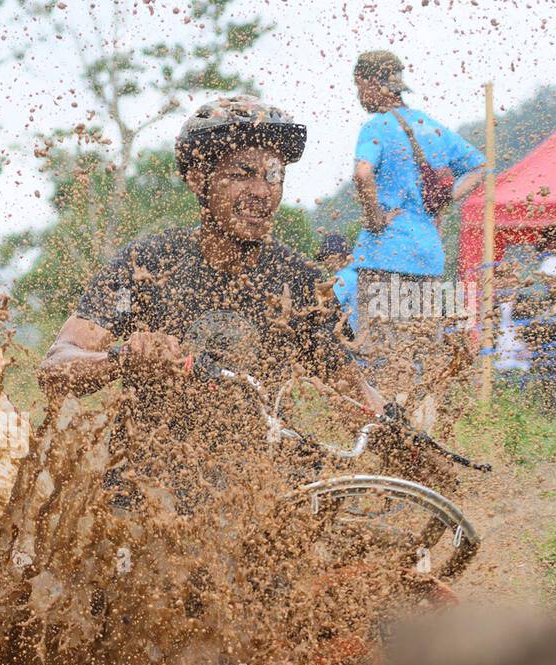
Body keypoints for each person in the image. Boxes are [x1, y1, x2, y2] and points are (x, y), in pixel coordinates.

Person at [38, 95, 385, 513]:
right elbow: (55, 368)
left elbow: (353, 392)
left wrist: (402, 435)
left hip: (255, 499)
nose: (261, 191)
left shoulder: (300, 283)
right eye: (243, 174)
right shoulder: (147, 265)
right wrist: (123, 358)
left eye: (273, 174)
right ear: (198, 178)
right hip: (146, 497)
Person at [350, 51, 486, 397]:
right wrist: (448, 197)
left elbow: (363, 173)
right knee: (420, 352)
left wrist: (375, 217)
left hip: (384, 257)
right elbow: (481, 167)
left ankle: (386, 430)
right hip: (428, 257)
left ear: (369, 82)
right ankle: (421, 431)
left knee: (379, 353)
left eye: (358, 85)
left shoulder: (376, 127)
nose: (359, 95)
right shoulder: (433, 127)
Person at [317, 233, 358, 336]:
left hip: (349, 335)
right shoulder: (353, 274)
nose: (324, 262)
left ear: (336, 256)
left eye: (325, 257)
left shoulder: (342, 278)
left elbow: (328, 303)